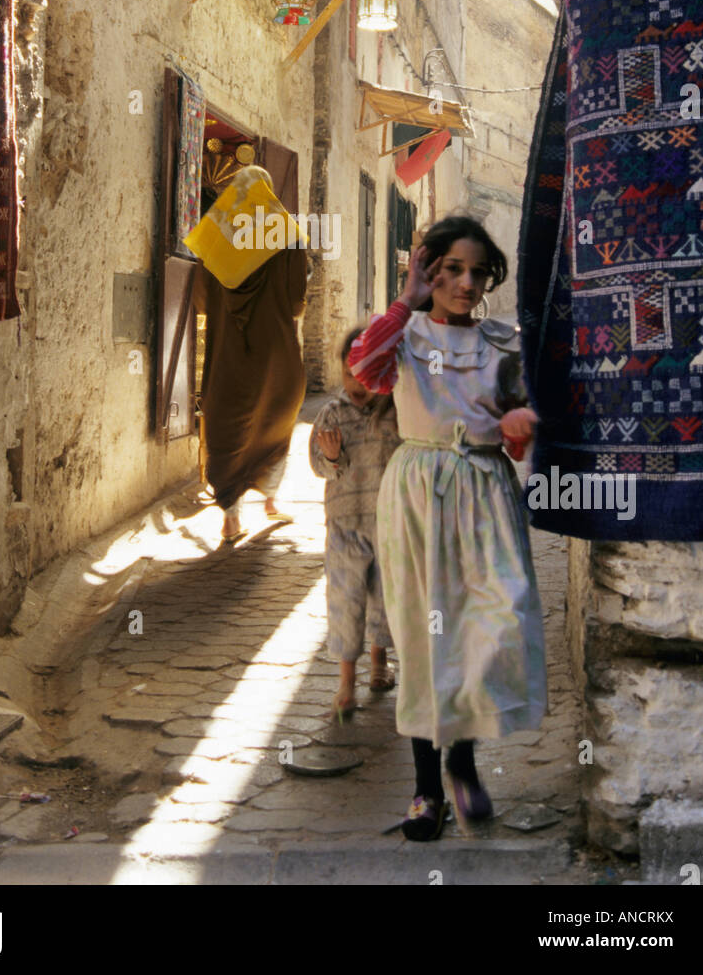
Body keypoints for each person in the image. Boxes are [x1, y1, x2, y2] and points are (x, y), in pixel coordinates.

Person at [348, 215, 546, 840]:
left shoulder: (503, 341)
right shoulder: (403, 336)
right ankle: (427, 788)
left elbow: (519, 406)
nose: (465, 283)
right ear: (429, 270)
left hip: (485, 490)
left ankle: (463, 757)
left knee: (496, 619)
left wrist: (519, 423)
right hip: (418, 489)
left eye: (477, 272)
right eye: (452, 269)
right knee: (423, 633)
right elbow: (363, 371)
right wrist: (406, 300)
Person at [190, 166, 307, 543]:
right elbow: (295, 302)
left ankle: (230, 513)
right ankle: (270, 498)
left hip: (229, 351)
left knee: (228, 422)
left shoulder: (217, 232)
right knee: (276, 418)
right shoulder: (285, 233)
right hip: (275, 352)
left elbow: (202, 299)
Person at [309, 328, 401, 721]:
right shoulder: (332, 413)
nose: (356, 383)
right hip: (346, 525)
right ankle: (346, 681)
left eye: (365, 373)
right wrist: (329, 457)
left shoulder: (397, 410)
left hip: (391, 526)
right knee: (346, 602)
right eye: (348, 374)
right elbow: (318, 465)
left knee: (385, 601)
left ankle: (379, 664)